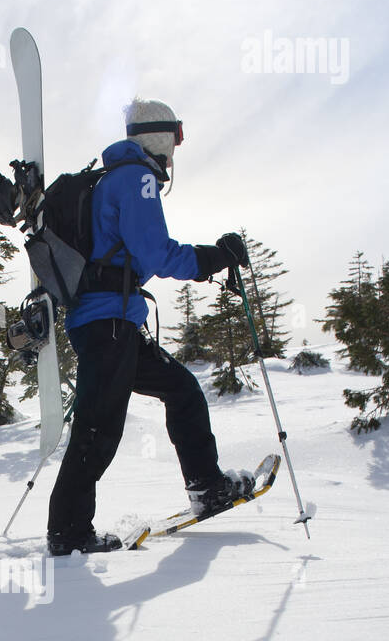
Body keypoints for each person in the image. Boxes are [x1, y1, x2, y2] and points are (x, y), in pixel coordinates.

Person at [46, 98, 253, 556]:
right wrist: (213, 258)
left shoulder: (114, 179)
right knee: (98, 429)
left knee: (182, 390)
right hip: (108, 324)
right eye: (176, 140)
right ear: (160, 138)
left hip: (112, 321)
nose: (175, 152)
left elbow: (135, 252)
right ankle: (68, 532)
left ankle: (207, 485)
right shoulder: (136, 178)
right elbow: (155, 253)